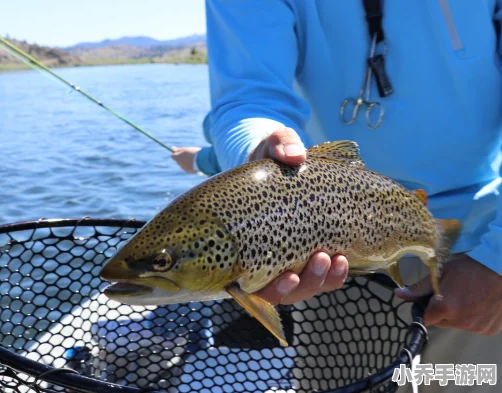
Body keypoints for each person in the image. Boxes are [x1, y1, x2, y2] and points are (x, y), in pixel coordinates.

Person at [172, 1, 502, 392]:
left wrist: (496, 258)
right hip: (322, 252)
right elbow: (247, 95)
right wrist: (258, 148)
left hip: (481, 238)